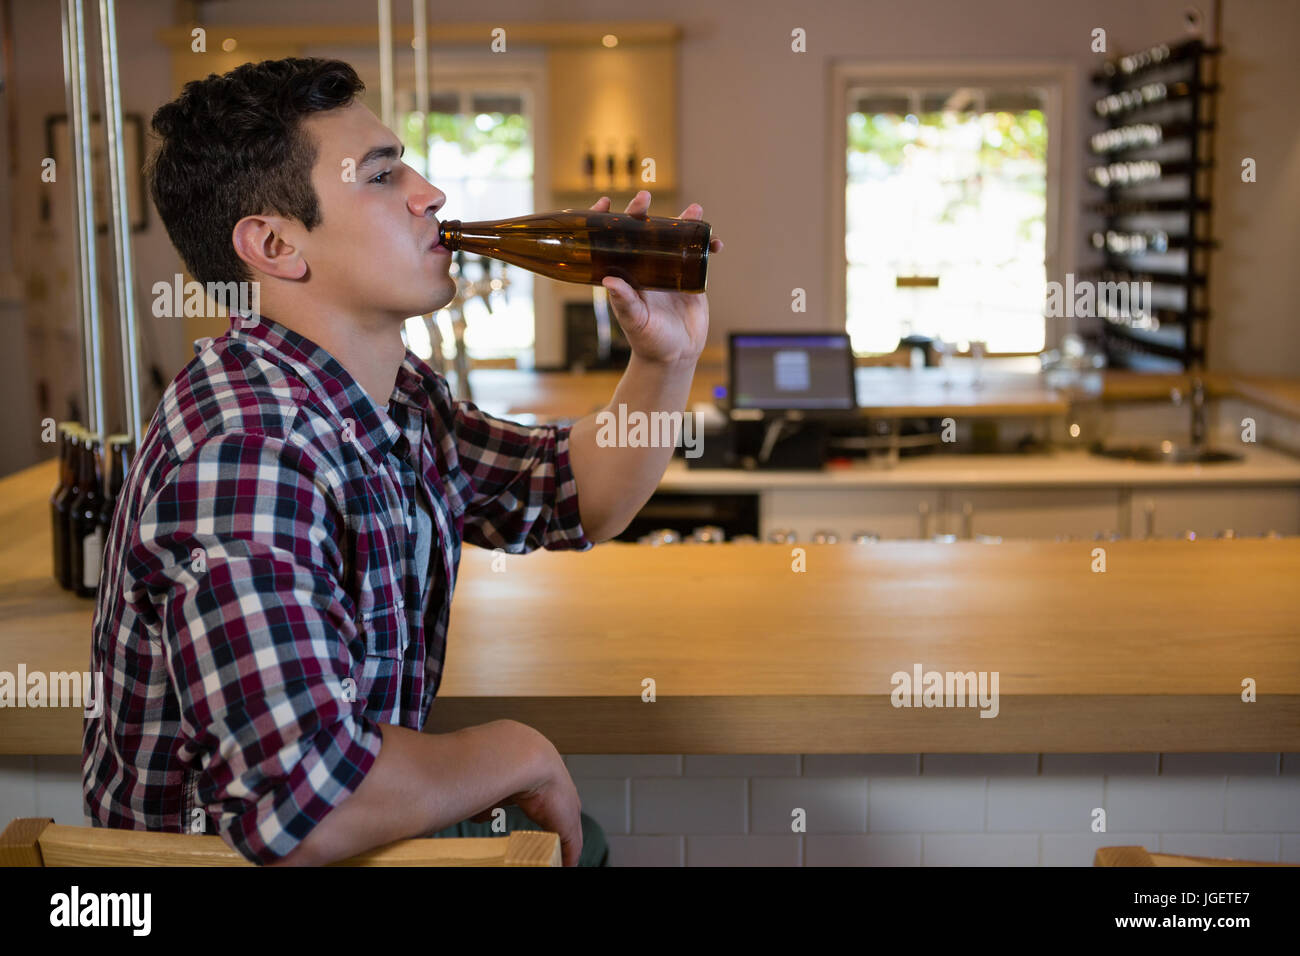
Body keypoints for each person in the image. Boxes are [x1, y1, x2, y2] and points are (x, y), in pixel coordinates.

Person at [82, 57, 722, 868]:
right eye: (383, 176)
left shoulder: (396, 396)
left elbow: (572, 493)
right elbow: (306, 804)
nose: (431, 192)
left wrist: (664, 359)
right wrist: (518, 749)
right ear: (275, 245)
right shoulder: (246, 451)